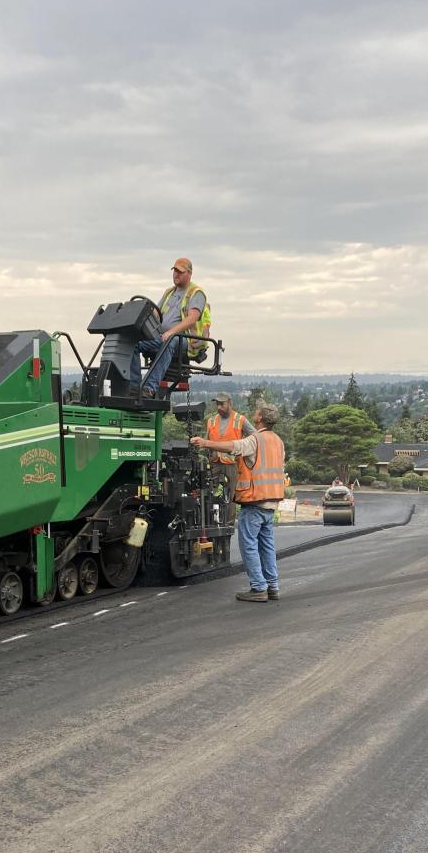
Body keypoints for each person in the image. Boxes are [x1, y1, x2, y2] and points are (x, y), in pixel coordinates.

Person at [191, 402, 285, 602]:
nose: (254, 413)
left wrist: (205, 443)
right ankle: (272, 587)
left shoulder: (255, 440)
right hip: (271, 503)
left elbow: (233, 446)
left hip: (254, 503)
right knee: (267, 546)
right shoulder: (278, 441)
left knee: (249, 545)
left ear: (259, 418)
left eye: (256, 412)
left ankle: (259, 588)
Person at [130, 258, 207, 396]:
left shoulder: (196, 293)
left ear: (189, 273)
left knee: (171, 340)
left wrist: (171, 332)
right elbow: (155, 313)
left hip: (187, 341)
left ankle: (149, 387)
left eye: (180, 272)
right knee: (134, 342)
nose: (176, 274)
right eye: (175, 271)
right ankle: (135, 386)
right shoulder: (169, 292)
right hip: (163, 336)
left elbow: (192, 319)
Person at [205, 393, 255, 505]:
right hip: (215, 462)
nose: (218, 407)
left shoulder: (240, 419)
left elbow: (255, 437)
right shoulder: (211, 421)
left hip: (233, 463)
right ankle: (211, 519)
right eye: (217, 404)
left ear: (230, 403)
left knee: (232, 496)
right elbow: (207, 441)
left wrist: (244, 448)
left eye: (222, 404)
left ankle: (229, 522)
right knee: (208, 492)